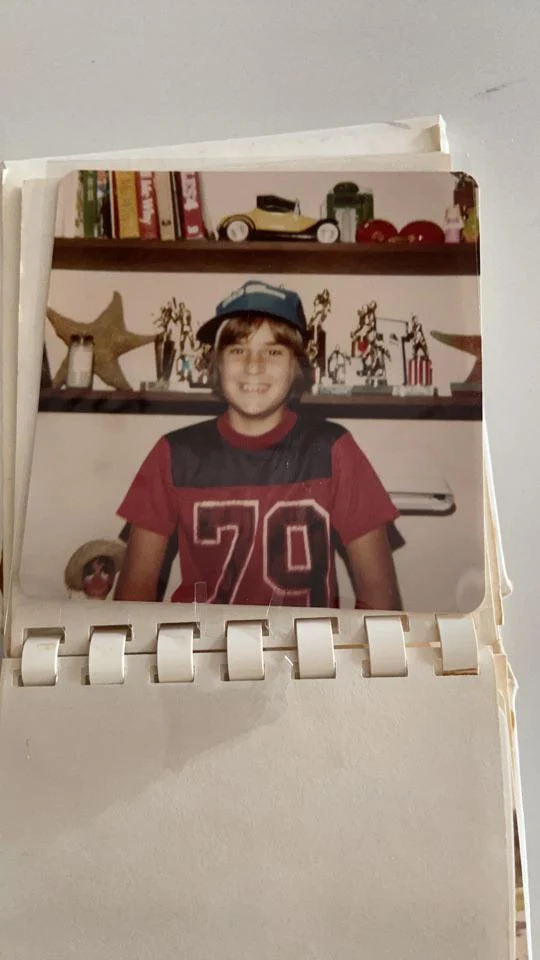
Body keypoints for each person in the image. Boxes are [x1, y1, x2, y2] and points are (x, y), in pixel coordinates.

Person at [114, 280, 401, 610]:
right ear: (217, 364)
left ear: (297, 368)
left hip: (306, 653)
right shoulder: (173, 453)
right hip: (205, 652)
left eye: (274, 351)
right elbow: (133, 597)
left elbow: (379, 597)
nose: (254, 366)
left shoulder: (333, 448)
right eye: (238, 350)